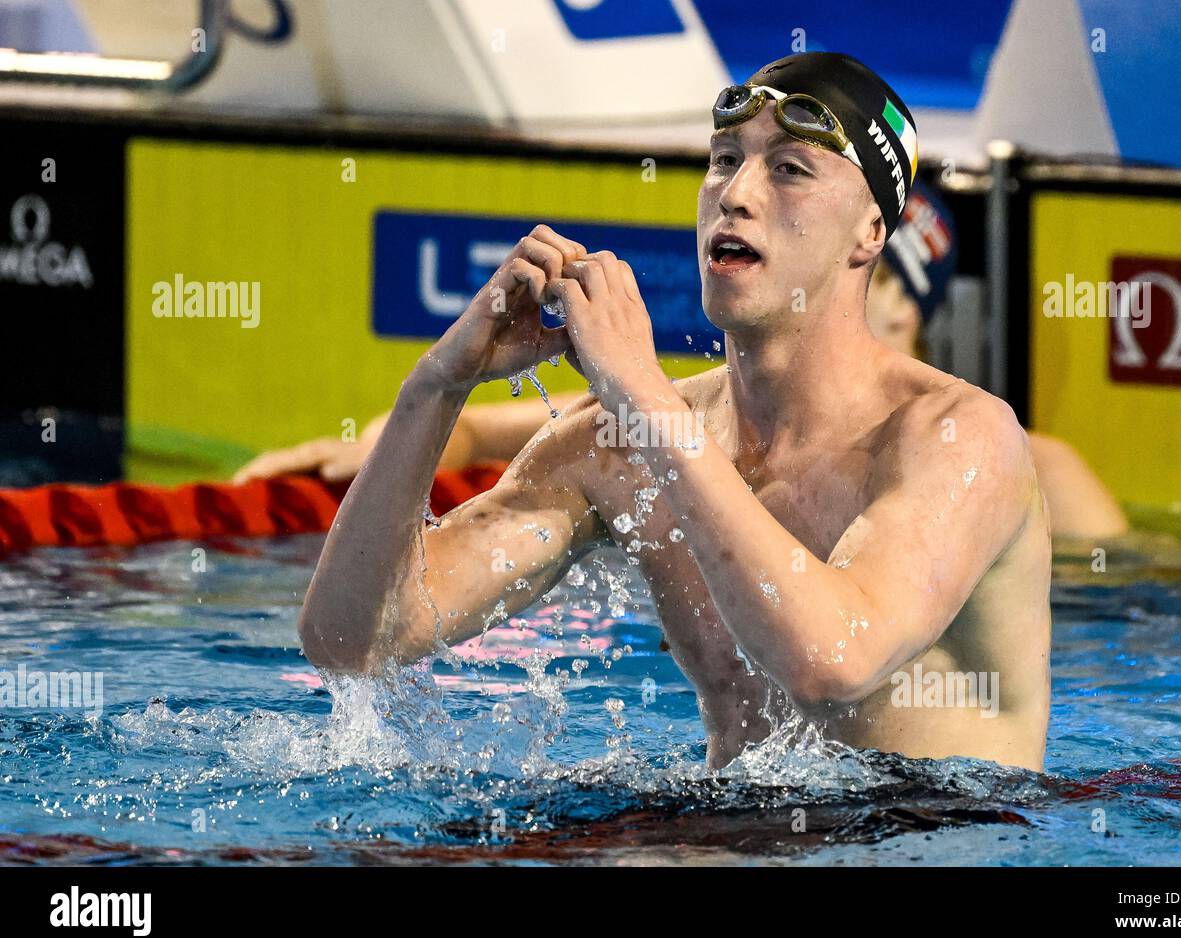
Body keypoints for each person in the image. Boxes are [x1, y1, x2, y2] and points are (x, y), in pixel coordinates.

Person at [295, 52, 1052, 772]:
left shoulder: (956, 438)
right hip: (730, 828)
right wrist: (436, 386)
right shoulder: (616, 441)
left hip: (934, 829)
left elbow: (833, 660)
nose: (737, 191)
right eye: (725, 159)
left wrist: (643, 394)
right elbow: (353, 639)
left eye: (789, 169)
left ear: (870, 234)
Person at [237, 189, 1129, 542]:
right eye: (727, 163)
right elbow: (478, 429)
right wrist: (409, 416)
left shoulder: (1018, 460)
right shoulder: (682, 415)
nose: (739, 196)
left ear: (882, 274)